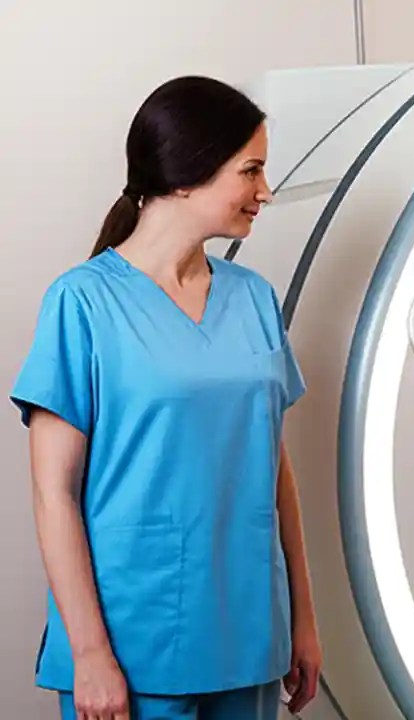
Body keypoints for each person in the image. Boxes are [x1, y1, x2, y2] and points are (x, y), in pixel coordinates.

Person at [11, 76, 322, 720]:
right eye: (252, 170)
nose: (266, 191)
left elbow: (274, 470)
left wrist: (304, 618)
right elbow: (53, 494)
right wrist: (90, 652)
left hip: (249, 635)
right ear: (187, 173)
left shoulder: (255, 299)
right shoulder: (82, 303)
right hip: (131, 646)